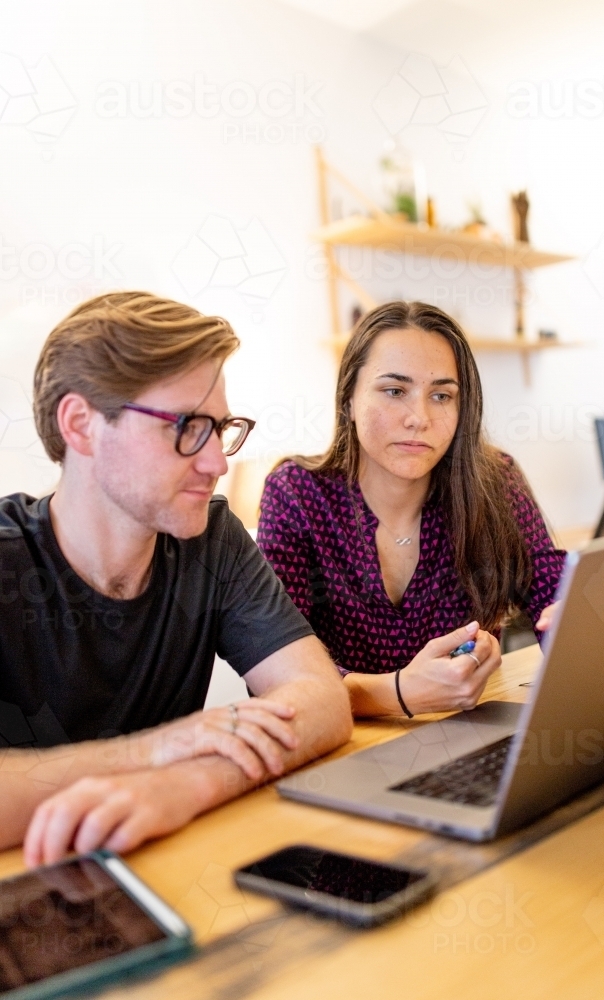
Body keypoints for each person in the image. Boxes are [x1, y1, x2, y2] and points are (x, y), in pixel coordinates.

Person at [0, 292, 352, 863]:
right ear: (81, 425)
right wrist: (160, 751)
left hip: (159, 867)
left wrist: (185, 784)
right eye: (187, 426)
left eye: (219, 428)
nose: (217, 462)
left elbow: (322, 702)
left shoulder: (211, 539)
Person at [258, 301, 566, 719]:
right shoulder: (297, 494)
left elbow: (557, 604)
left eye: (441, 395)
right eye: (394, 391)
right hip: (344, 748)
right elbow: (277, 673)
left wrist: (578, 625)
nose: (419, 418)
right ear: (349, 398)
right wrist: (399, 693)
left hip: (465, 737)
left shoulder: (496, 483)